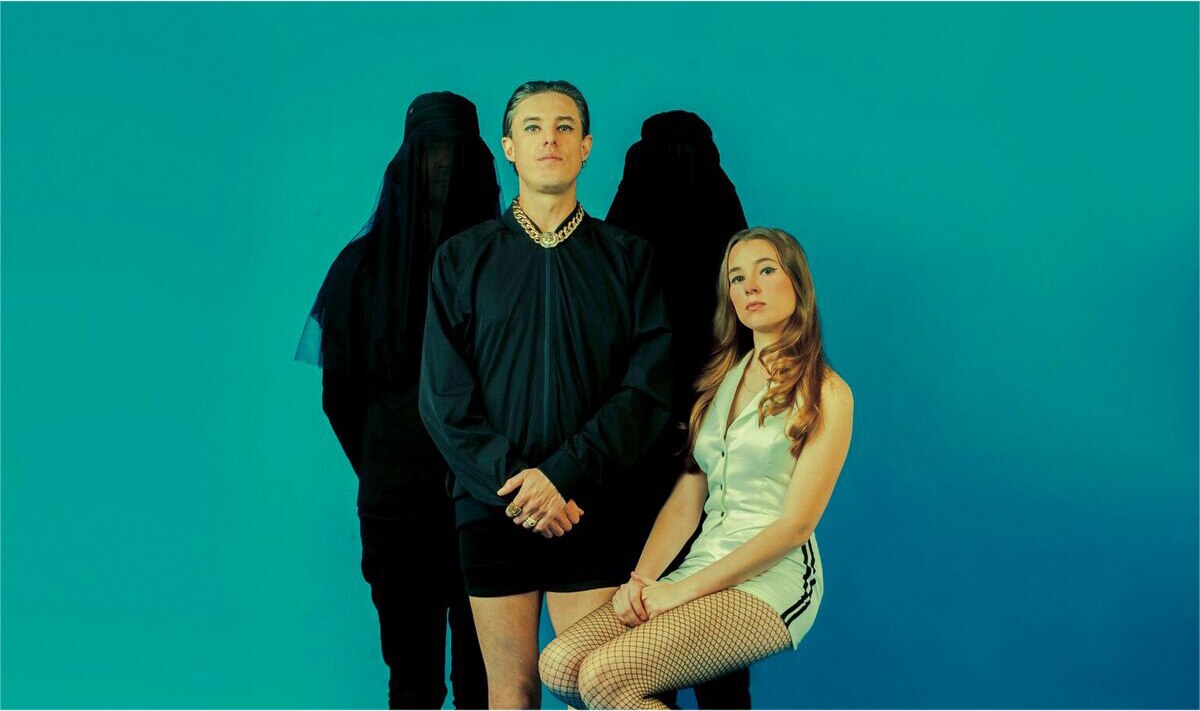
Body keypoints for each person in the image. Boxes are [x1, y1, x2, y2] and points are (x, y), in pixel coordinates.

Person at [418, 79, 673, 709]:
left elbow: (647, 389)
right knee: (512, 689)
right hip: (493, 507)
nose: (549, 139)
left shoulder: (629, 258)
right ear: (509, 147)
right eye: (532, 127)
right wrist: (518, 485)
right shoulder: (461, 259)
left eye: (564, 127)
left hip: (591, 505)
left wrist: (563, 476)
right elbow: (443, 399)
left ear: (586, 146)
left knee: (597, 686)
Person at [539, 227, 854, 710]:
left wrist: (682, 591)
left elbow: (795, 527)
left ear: (798, 282)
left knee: (605, 676)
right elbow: (687, 500)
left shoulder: (827, 392)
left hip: (774, 578)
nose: (750, 286)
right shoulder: (720, 382)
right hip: (702, 563)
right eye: (736, 277)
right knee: (561, 666)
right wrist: (642, 582)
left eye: (766, 270)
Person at [295, 91, 498, 710]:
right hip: (398, 505)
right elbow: (339, 394)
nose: (443, 164)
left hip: (489, 502)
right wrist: (388, 465)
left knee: (489, 682)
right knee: (412, 683)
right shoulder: (360, 267)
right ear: (408, 159)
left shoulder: (506, 265)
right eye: (431, 150)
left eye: (456, 150)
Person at [605, 110, 753, 708]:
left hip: (646, 462)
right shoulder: (727, 226)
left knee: (650, 644)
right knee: (710, 647)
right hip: (700, 461)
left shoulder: (619, 244)